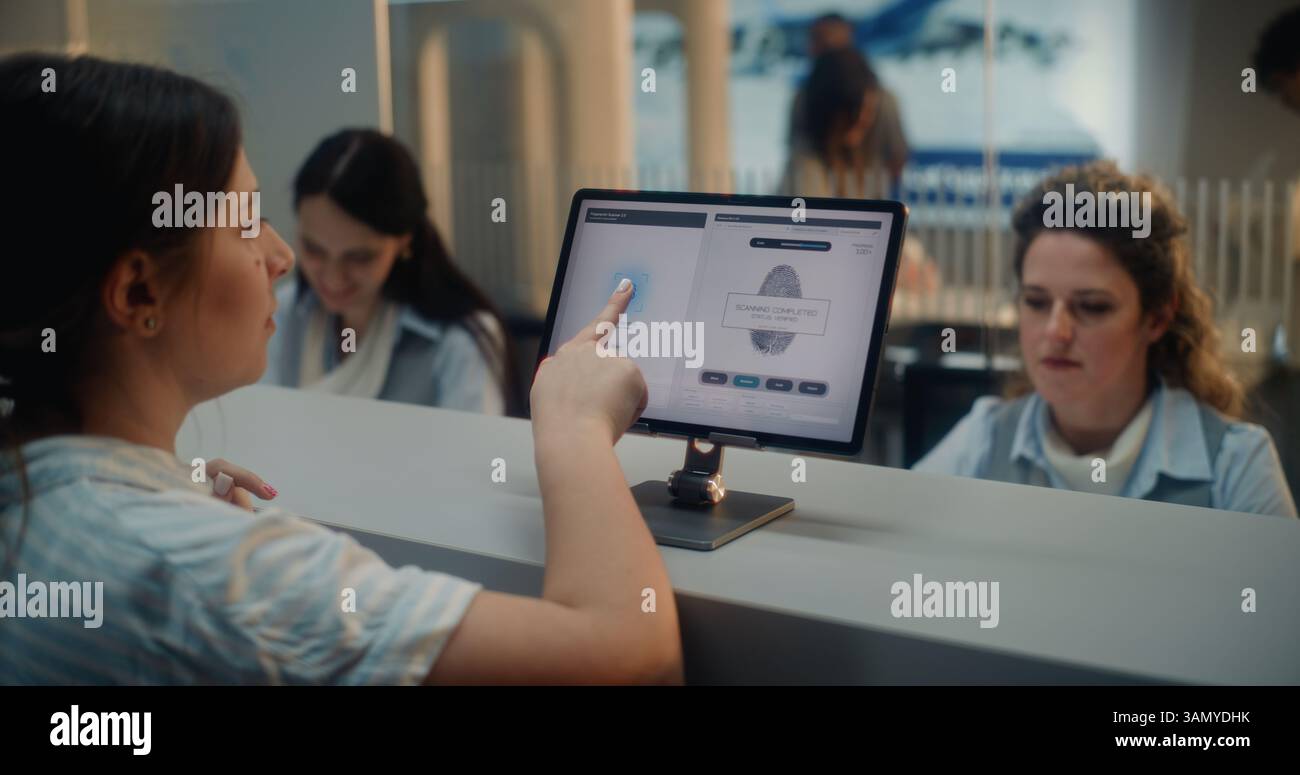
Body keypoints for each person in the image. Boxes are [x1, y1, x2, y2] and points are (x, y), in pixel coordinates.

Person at [0, 53, 681, 684]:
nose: (284, 259)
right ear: (140, 293)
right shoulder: (220, 574)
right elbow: (629, 658)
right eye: (244, 222)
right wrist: (573, 430)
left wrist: (166, 497)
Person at [913, 161, 1297, 518]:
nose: (1055, 331)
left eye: (1092, 307)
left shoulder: (1235, 463)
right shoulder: (985, 439)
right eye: (1036, 302)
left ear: (1158, 317)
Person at [262, 129, 519, 416]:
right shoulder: (282, 315)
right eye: (314, 250)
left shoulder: (459, 340)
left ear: (404, 242)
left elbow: (476, 458)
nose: (333, 278)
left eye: (359, 257)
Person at [787, 13, 909, 184]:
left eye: (820, 38)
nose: (812, 46)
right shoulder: (802, 98)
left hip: (838, 200)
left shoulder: (882, 99)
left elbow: (897, 155)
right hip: (845, 200)